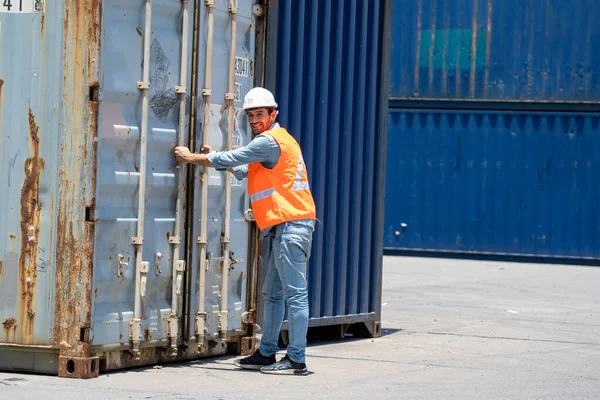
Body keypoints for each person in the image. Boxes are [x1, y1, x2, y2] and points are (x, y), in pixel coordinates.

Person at [174, 87, 316, 376]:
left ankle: (297, 359)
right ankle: (266, 353)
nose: (254, 120)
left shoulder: (270, 142)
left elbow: (235, 158)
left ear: (273, 114)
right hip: (280, 228)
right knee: (273, 294)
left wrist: (191, 159)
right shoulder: (274, 142)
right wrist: (215, 157)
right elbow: (242, 169)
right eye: (251, 116)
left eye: (260, 114)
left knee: (295, 295)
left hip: (291, 226)